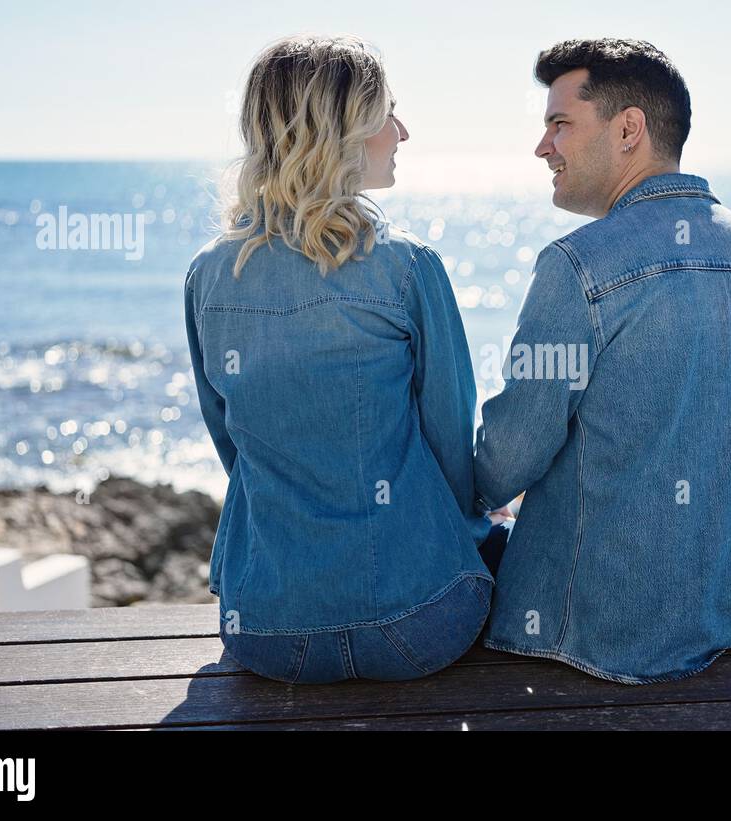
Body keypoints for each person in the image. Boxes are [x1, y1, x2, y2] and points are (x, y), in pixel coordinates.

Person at [473, 38, 731, 685]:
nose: (543, 147)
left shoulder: (577, 269)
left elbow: (504, 461)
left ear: (628, 128)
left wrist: (466, 496)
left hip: (606, 640)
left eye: (559, 124)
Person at [184, 34, 501, 685]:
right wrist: (478, 533)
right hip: (419, 624)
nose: (403, 131)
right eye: (388, 112)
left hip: (266, 633)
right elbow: (448, 438)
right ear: (343, 130)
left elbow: (231, 445)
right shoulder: (407, 267)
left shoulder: (206, 277)